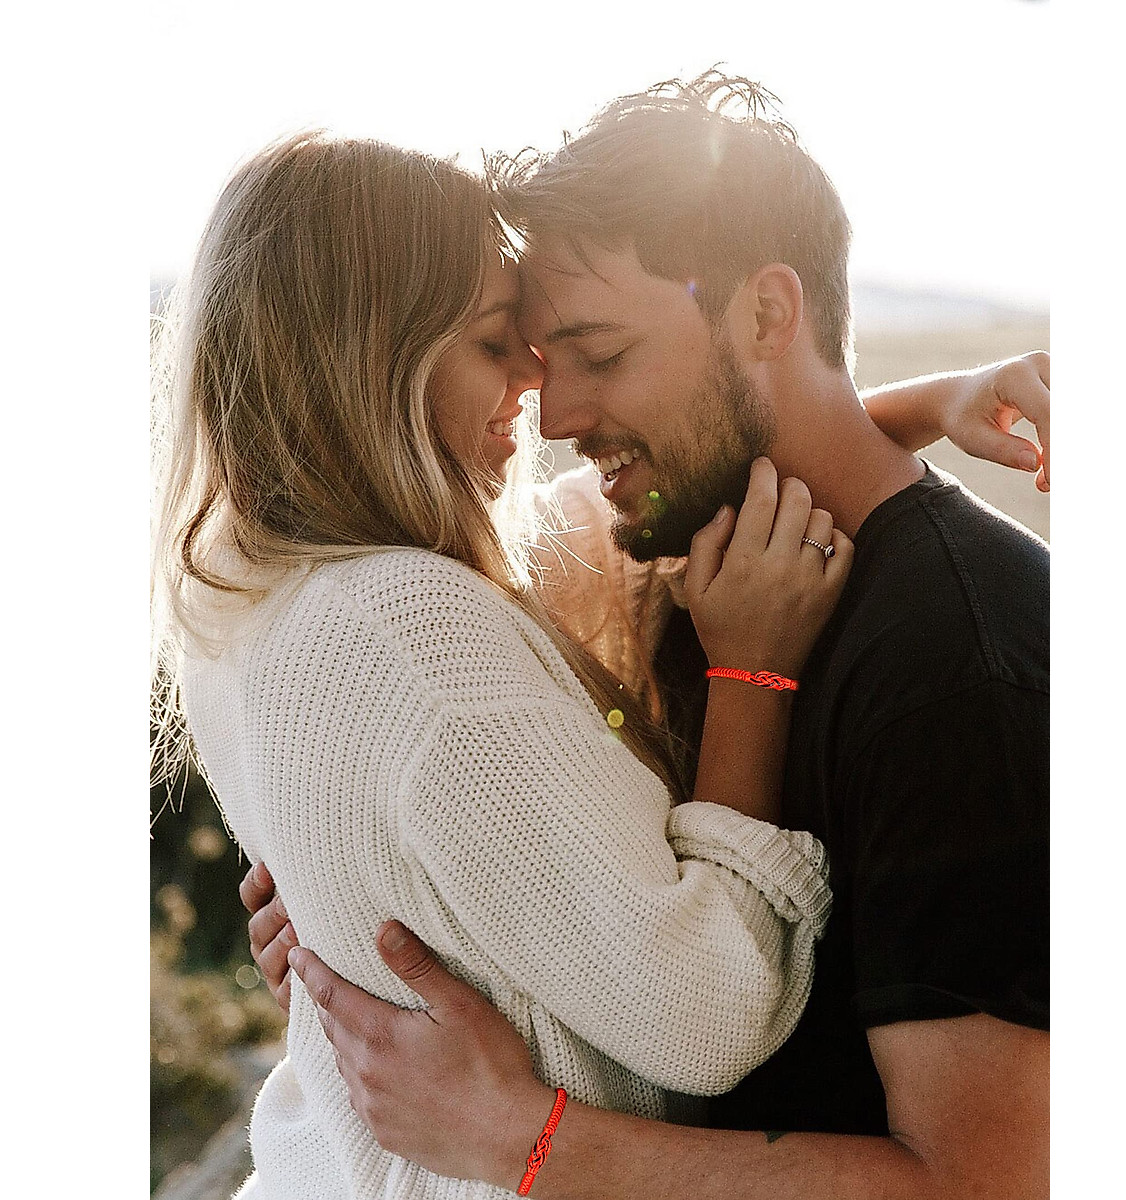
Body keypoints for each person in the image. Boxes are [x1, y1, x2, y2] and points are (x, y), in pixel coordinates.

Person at [154, 123, 1042, 1200]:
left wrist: (520, 1137)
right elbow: (706, 1003)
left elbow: (988, 1182)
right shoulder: (594, 587)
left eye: (600, 354)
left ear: (770, 315)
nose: (554, 413)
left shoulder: (958, 663)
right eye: (510, 346)